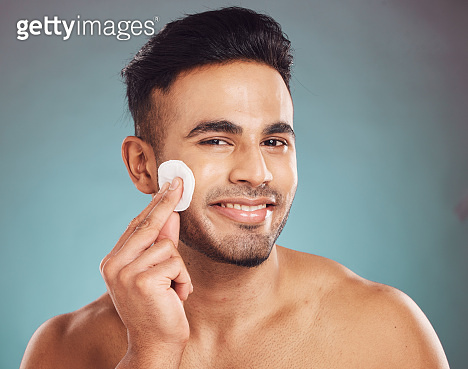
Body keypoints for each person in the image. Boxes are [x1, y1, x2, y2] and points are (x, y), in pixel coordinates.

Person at [20, 7, 450, 369]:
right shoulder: (63, 348)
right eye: (217, 141)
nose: (257, 172)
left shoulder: (385, 333)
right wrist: (151, 353)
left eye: (274, 141)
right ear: (143, 165)